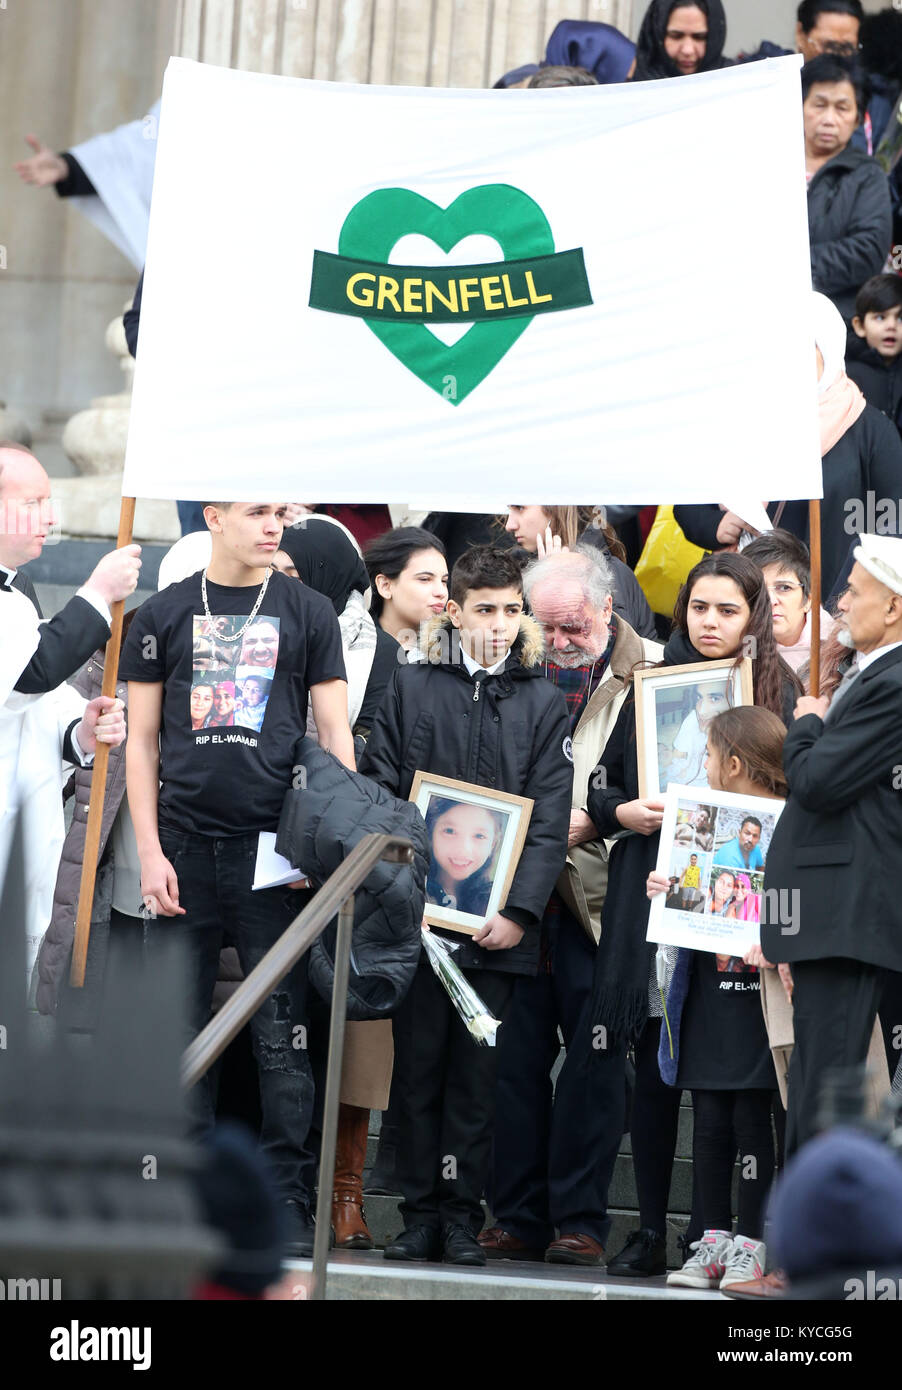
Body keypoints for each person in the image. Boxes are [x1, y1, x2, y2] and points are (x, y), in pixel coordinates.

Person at [120, 499, 353, 1258]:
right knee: (181, 1030)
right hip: (183, 843)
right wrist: (149, 852)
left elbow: (334, 737)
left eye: (280, 512)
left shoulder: (308, 610)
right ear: (214, 516)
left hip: (275, 849)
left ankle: (287, 1204)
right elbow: (143, 744)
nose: (274, 526)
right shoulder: (161, 613)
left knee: (282, 1034)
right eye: (257, 512)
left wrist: (327, 846)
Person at [578, 552, 799, 1279]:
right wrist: (625, 811)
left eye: (727, 610)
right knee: (658, 1064)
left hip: (748, 924)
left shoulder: (782, 690)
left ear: (753, 616)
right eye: (698, 608)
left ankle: (743, 1238)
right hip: (659, 884)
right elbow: (604, 785)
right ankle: (649, 1227)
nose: (709, 623)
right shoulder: (654, 684)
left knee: (737, 1085)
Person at [359, 546, 572, 1266]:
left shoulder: (543, 701)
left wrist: (518, 909)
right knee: (417, 1074)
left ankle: (460, 1215)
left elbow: (547, 818)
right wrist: (402, 890)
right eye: (486, 608)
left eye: (513, 610)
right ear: (455, 610)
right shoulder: (412, 685)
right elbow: (381, 786)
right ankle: (419, 1215)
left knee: (479, 1084)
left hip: (494, 931)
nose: (500, 623)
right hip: (418, 922)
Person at [479, 546, 663, 1267]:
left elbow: (669, 779)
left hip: (603, 899)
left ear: (607, 610)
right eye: (544, 628)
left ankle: (580, 1221)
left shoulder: (654, 669)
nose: (556, 643)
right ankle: (516, 1214)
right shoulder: (512, 663)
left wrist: (601, 816)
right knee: (514, 1063)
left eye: (571, 629)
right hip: (520, 897)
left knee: (594, 1066)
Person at [761, 533, 902, 1155]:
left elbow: (817, 782)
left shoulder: (892, 682)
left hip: (848, 909)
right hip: (827, 910)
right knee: (818, 1073)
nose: (840, 602)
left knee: (827, 1079)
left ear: (893, 607)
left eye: (853, 590)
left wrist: (807, 724)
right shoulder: (869, 676)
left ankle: (813, 1242)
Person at [647, 707, 785, 1292]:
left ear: (732, 762)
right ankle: (710, 1239)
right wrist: (666, 888)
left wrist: (777, 935)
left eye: (707, 755)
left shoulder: (792, 826)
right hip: (705, 992)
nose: (701, 765)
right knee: (707, 1120)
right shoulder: (703, 825)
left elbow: (802, 901)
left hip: (761, 999)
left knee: (754, 1121)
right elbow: (691, 900)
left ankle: (751, 1245)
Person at [674, 293, 902, 599]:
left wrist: (855, 595)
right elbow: (688, 498)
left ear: (829, 350)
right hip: (744, 600)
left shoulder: (871, 430)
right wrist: (716, 524)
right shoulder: (739, 416)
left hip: (833, 609)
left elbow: (891, 526)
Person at [803, 55, 892, 322]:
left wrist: (795, 263)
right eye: (819, 105)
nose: (829, 119)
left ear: (857, 119)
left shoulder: (867, 175)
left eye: (842, 108)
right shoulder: (769, 165)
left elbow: (867, 251)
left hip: (837, 321)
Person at [504, 504, 657, 639]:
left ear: (556, 508)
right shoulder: (519, 569)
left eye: (520, 507)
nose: (509, 525)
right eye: (509, 509)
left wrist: (555, 589)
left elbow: (604, 658)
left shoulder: (607, 574)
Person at [741, 530, 835, 678]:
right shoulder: (736, 643)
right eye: (759, 589)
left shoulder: (836, 647)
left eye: (785, 587)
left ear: (809, 600)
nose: (771, 600)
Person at [363, 526, 448, 655]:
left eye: (444, 581)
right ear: (385, 585)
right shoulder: (351, 648)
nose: (441, 592)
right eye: (425, 579)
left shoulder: (456, 650)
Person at [425, 798, 505, 915]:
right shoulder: (408, 889)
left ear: (492, 844)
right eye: (450, 831)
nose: (463, 849)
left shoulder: (498, 905)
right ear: (431, 834)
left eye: (479, 836)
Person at [846, 274, 902, 431]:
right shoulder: (846, 376)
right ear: (860, 326)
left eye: (900, 318)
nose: (891, 325)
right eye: (880, 317)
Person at [631, 0, 731, 81]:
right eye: (676, 36)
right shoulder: (631, 89)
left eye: (699, 37)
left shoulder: (733, 84)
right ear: (657, 35)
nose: (687, 50)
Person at [668, 681, 732, 786]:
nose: (701, 710)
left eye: (714, 699)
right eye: (699, 697)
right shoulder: (693, 718)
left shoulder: (740, 735)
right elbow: (676, 756)